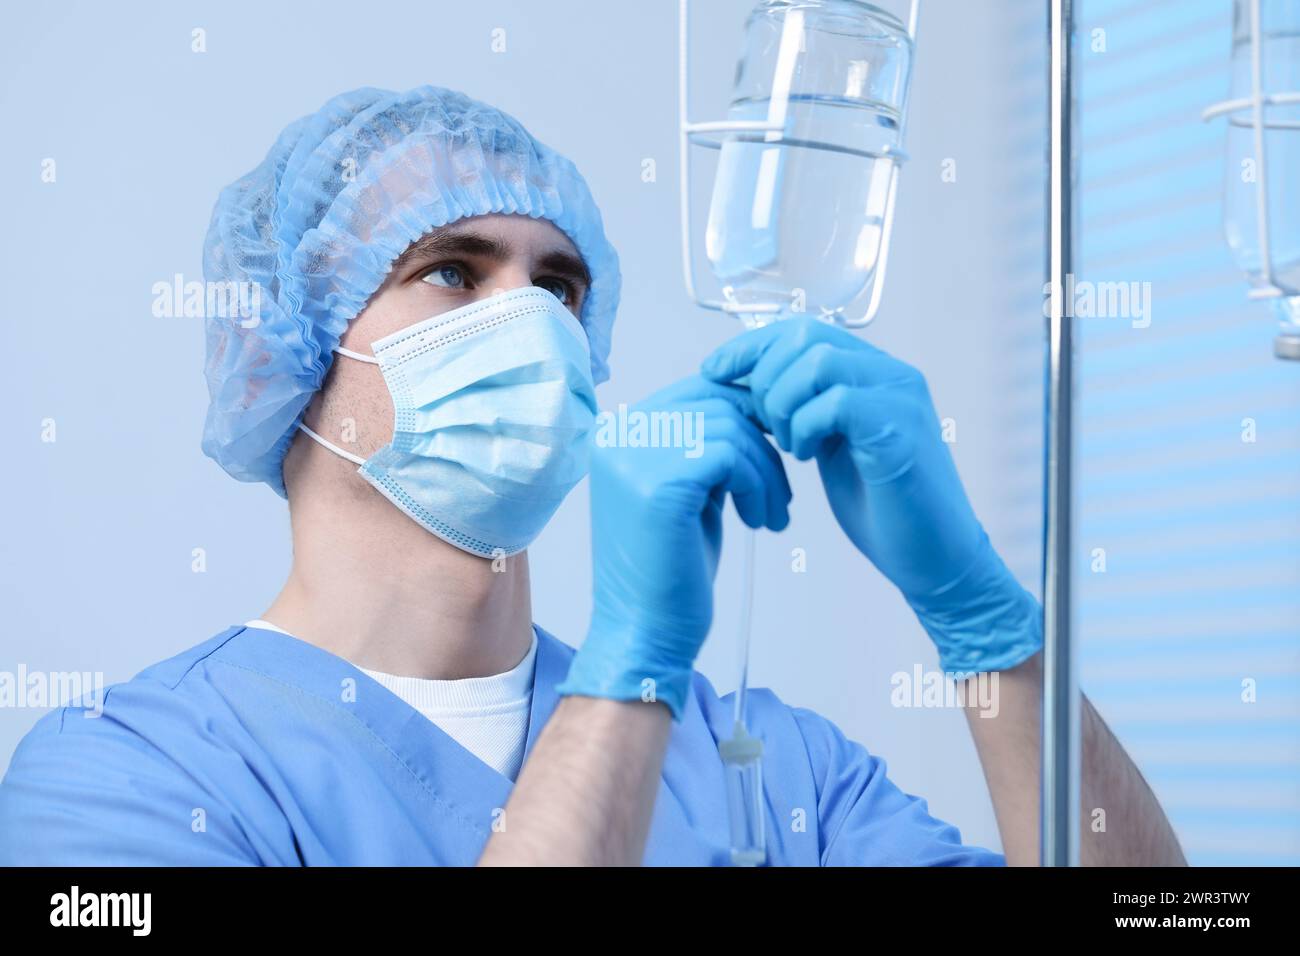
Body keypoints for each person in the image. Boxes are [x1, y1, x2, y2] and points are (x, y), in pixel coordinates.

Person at [0, 86, 1183, 866]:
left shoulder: (763, 772)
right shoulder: (132, 777)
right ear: (289, 348)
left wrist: (980, 616)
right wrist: (628, 669)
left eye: (559, 285)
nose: (532, 323)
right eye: (455, 272)